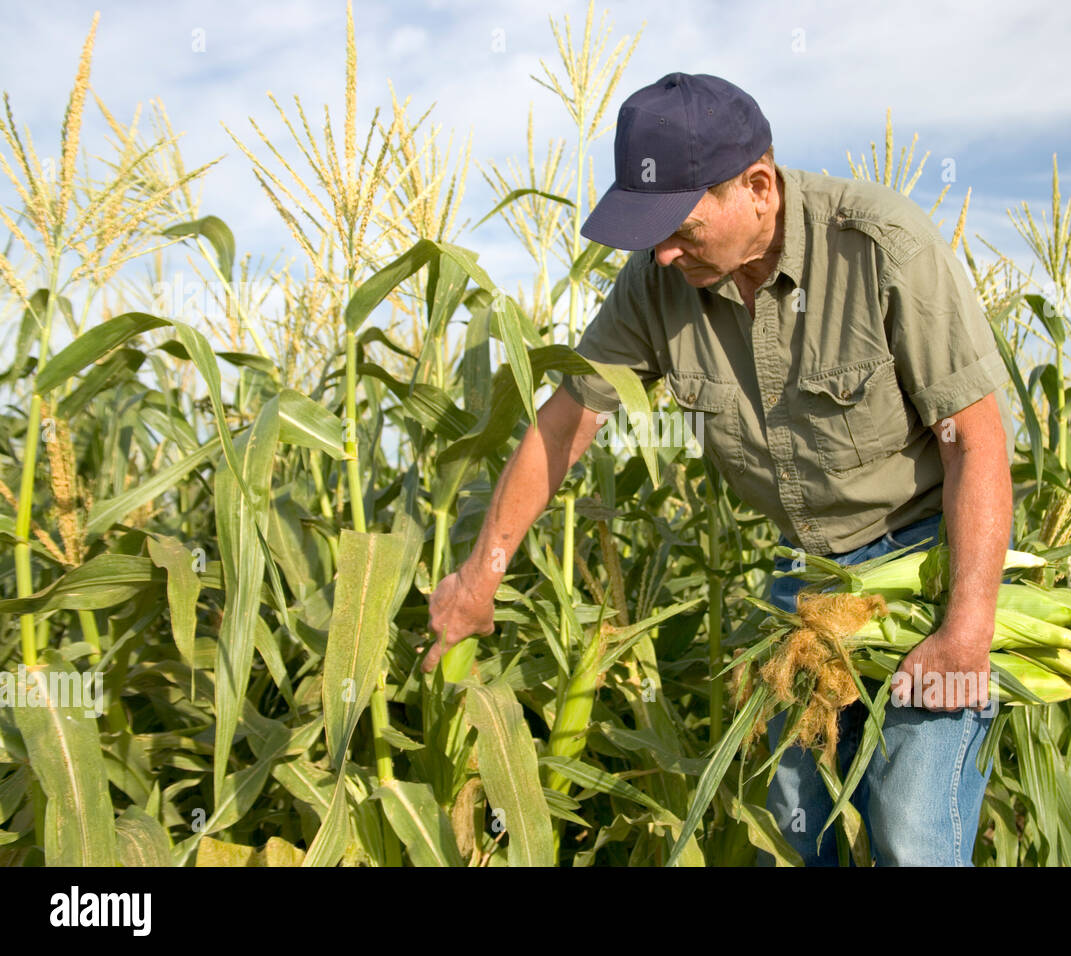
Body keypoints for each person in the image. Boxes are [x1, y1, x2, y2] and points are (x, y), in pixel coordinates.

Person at [423, 72, 1015, 866]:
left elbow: (973, 441)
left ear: (759, 188)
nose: (663, 252)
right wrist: (480, 576)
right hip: (803, 588)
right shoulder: (658, 282)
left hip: (924, 571)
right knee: (792, 829)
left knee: (911, 832)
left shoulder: (881, 249)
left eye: (680, 228)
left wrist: (968, 628)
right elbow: (565, 424)